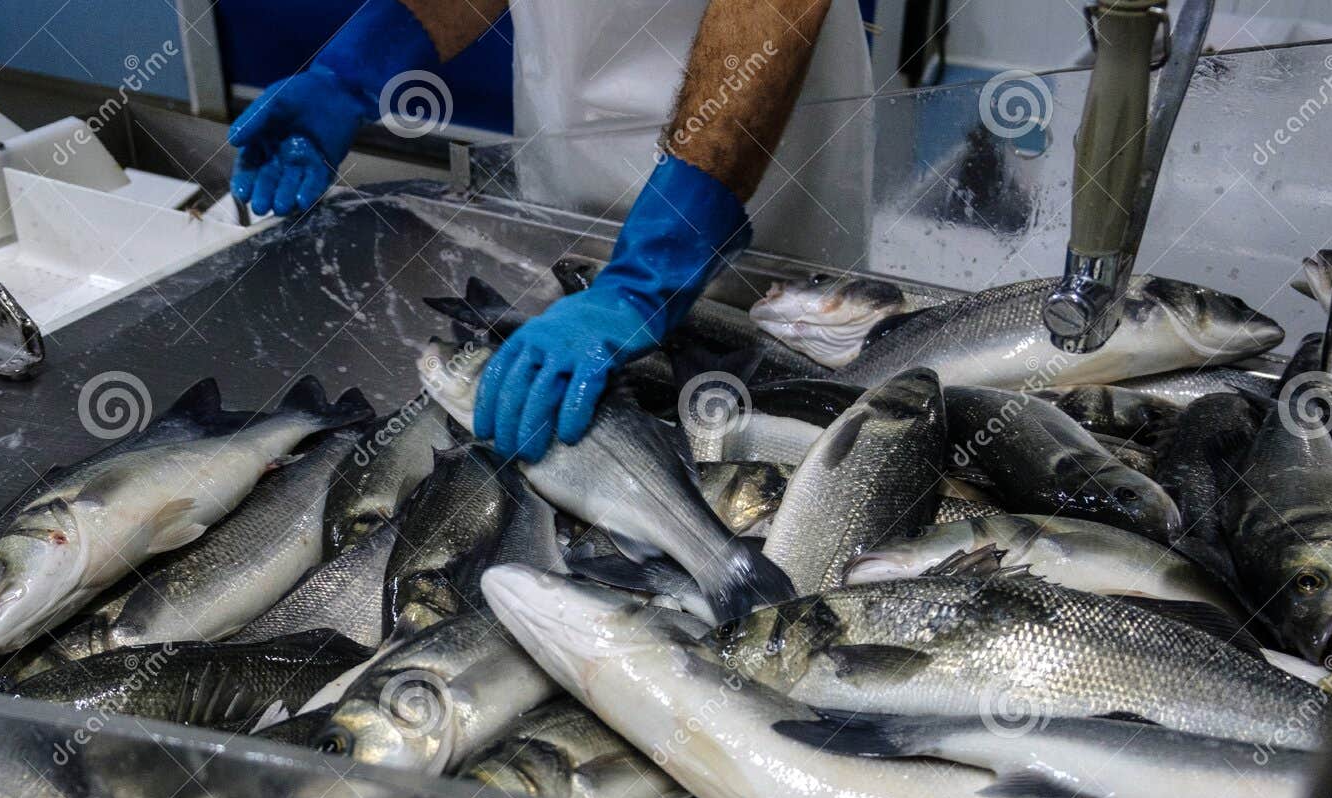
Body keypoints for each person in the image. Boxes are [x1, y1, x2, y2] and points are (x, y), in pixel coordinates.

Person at [228, 0, 867, 461]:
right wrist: (353, 70)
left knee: (783, 421)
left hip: (744, 158)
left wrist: (660, 258)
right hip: (569, 143)